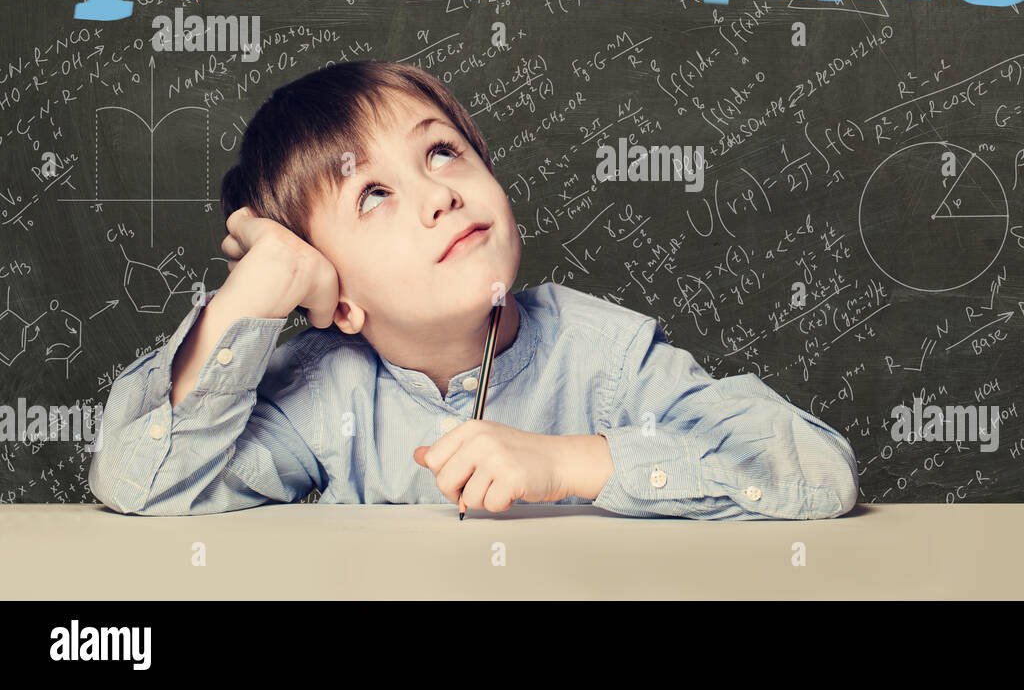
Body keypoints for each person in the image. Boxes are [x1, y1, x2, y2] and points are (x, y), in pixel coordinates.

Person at [89, 61, 859, 519]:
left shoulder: (605, 357)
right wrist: (250, 294)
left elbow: (818, 473)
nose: (437, 194)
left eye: (443, 152)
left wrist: (569, 463)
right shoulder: (328, 395)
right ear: (338, 300)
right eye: (374, 195)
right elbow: (141, 485)